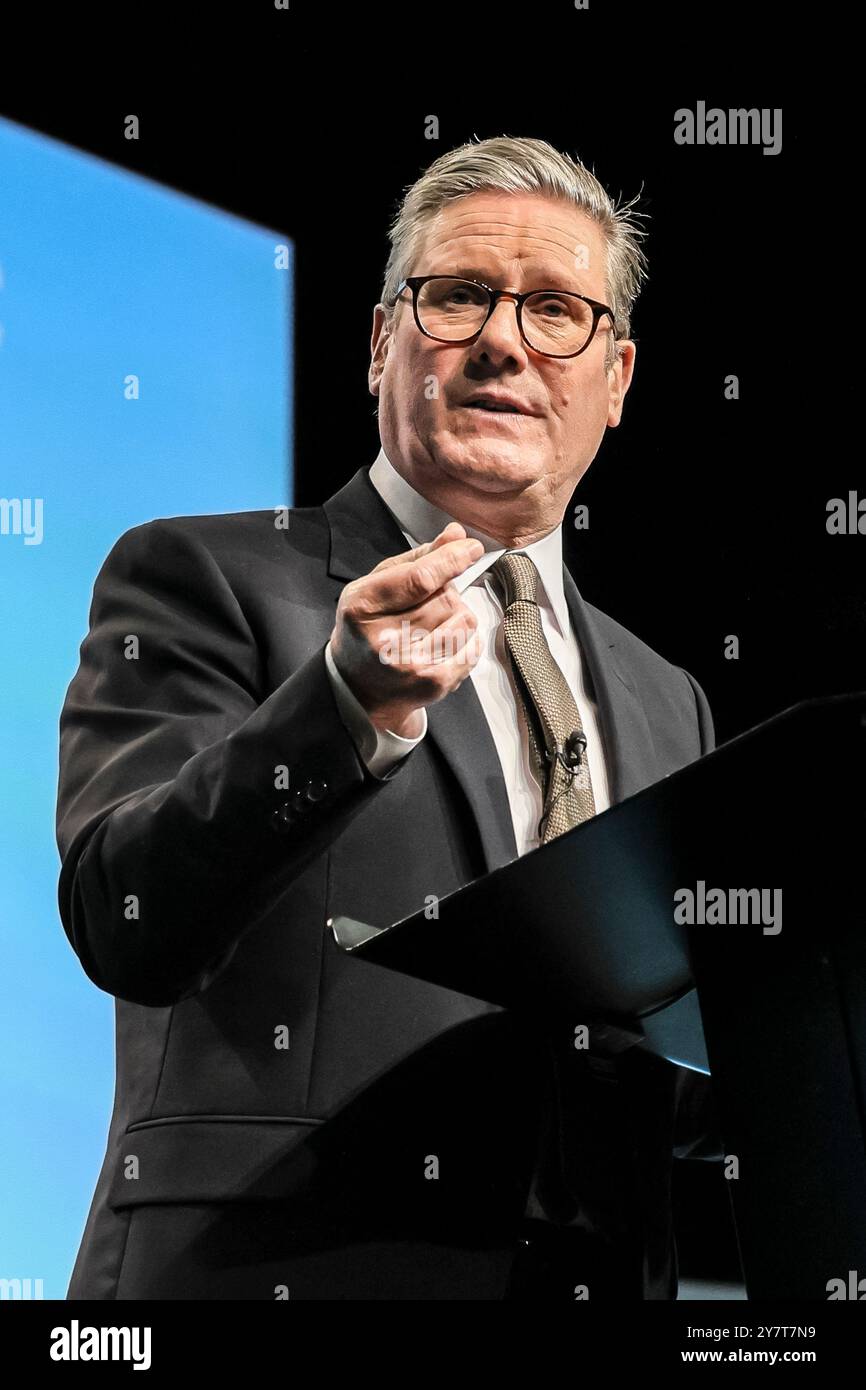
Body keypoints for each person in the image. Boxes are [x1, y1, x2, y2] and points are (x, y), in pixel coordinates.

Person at [56, 134, 721, 1301]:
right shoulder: (204, 576)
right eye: (458, 295)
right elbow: (127, 914)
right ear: (380, 343)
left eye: (556, 309)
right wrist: (345, 708)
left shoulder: (671, 698)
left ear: (614, 381)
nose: (502, 340)